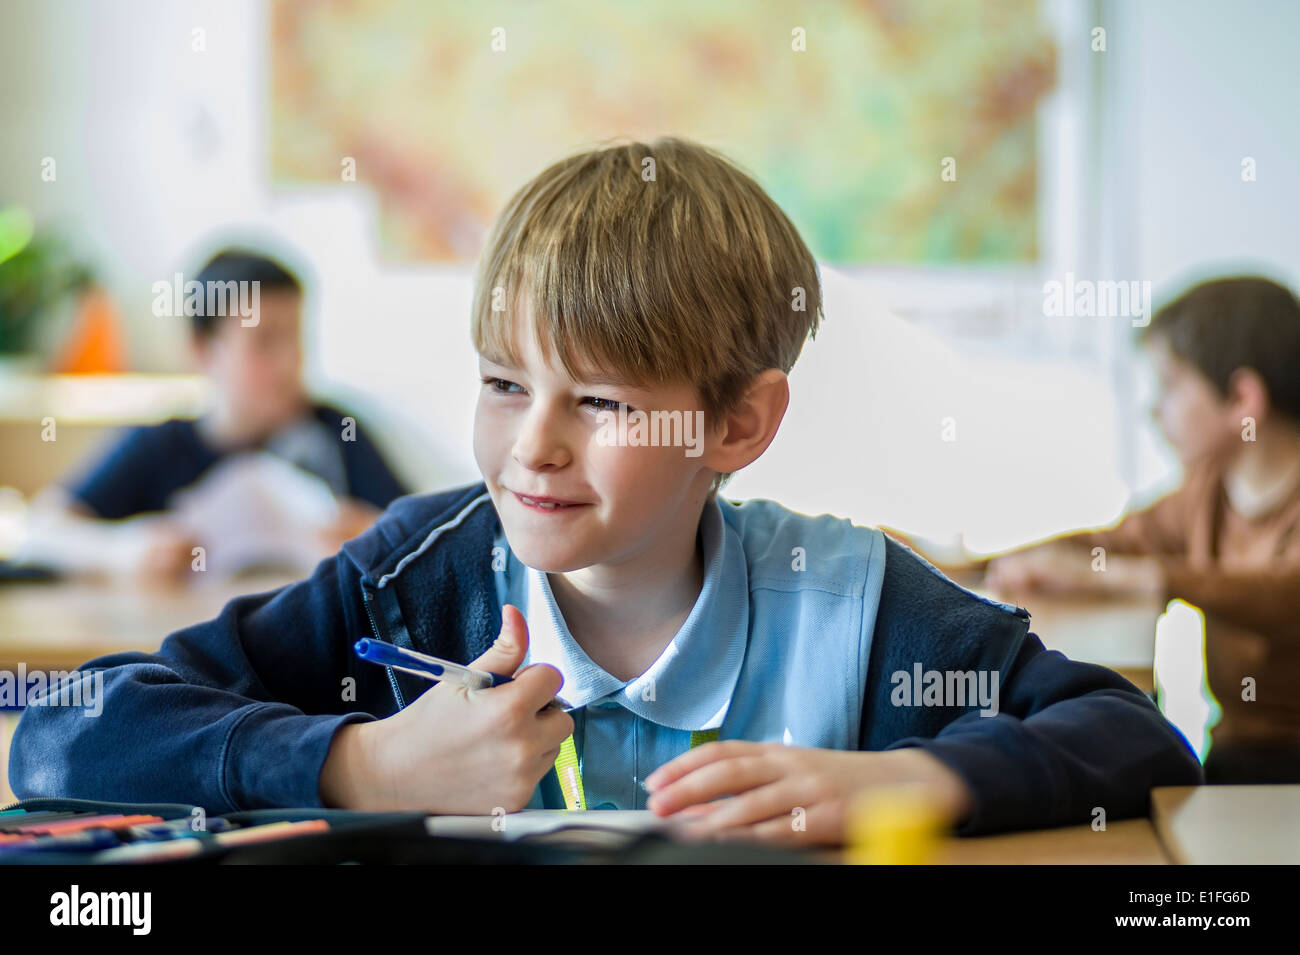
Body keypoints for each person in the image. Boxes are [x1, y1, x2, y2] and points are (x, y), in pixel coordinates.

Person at [8, 139, 1201, 844]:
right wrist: (359, 767)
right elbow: (63, 735)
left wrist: (905, 776)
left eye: (603, 402)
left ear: (736, 424)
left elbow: (1134, 736)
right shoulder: (416, 582)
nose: (532, 446)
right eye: (502, 382)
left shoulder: (848, 599)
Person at [979, 276, 1300, 783]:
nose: (1154, 409)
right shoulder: (1208, 490)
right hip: (1235, 754)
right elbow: (1106, 544)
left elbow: (1286, 594)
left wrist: (1138, 577)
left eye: (1170, 385)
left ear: (1242, 397)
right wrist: (974, 562)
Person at [20, 249, 410, 583]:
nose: (291, 361)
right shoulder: (160, 445)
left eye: (296, 336)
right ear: (203, 350)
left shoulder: (338, 431)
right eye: (265, 340)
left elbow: (423, 531)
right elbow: (41, 530)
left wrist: (373, 534)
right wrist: (123, 550)